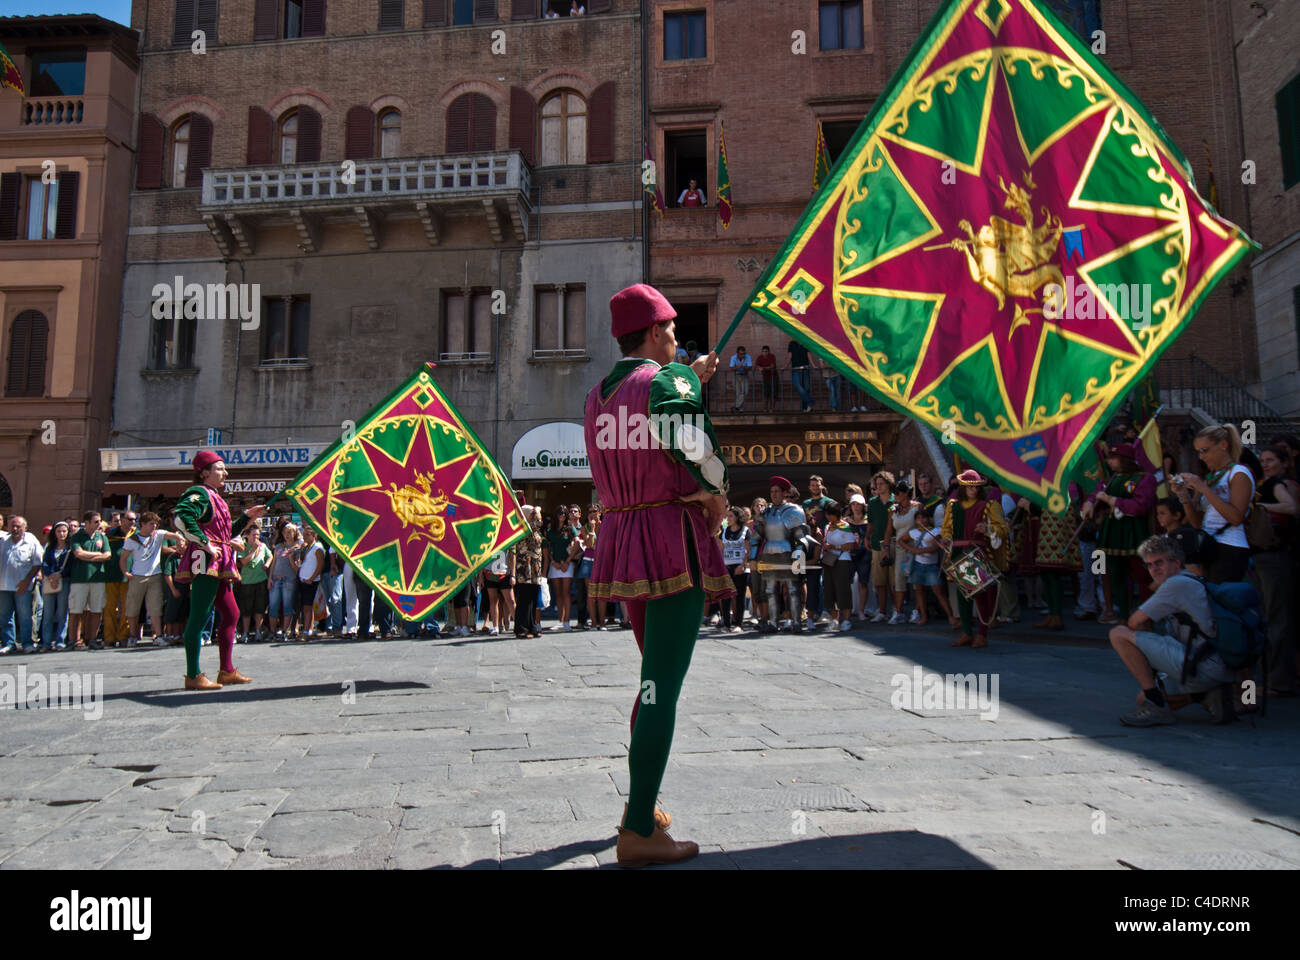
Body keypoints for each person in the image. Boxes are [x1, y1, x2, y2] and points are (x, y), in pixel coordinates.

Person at [584, 282, 731, 867]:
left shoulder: (596, 394)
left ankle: (637, 810)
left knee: (651, 680)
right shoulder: (669, 381)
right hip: (671, 540)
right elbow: (688, 440)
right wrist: (717, 490)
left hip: (625, 541)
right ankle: (639, 830)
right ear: (651, 333)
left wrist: (691, 378)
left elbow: (645, 424)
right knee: (660, 689)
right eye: (670, 329)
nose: (676, 337)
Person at [1108, 535, 1237, 726]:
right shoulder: (1190, 579)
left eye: (1159, 562)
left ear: (1176, 562)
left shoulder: (1175, 585)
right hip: (1210, 664)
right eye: (1149, 565)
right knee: (1140, 697)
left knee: (1118, 634)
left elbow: (1134, 622)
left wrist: (1145, 648)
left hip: (1203, 665)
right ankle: (1205, 696)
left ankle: (1156, 706)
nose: (1154, 569)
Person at [172, 451, 267, 689]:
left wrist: (246, 517)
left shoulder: (215, 497)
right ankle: (193, 675)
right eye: (220, 469)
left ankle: (226, 670)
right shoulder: (198, 494)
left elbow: (224, 532)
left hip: (218, 562)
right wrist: (206, 544)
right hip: (206, 561)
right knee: (199, 617)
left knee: (232, 614)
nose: (225, 473)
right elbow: (182, 519)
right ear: (204, 472)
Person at [1083, 442, 1157, 623]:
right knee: (1113, 574)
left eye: (1114, 458)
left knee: (1142, 575)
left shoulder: (1144, 479)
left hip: (1135, 533)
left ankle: (1146, 617)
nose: (1109, 462)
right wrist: (1089, 503)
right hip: (1110, 534)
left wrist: (1112, 500)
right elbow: (1096, 494)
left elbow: (1141, 506)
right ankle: (1121, 614)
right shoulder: (1109, 480)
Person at [940, 469, 1009, 648]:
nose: (974, 490)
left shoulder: (988, 505)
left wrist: (987, 529)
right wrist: (945, 538)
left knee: (979, 595)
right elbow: (946, 529)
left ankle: (982, 634)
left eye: (977, 487)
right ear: (963, 487)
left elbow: (1001, 528)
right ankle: (966, 633)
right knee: (962, 594)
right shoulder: (953, 506)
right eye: (970, 487)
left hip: (977, 552)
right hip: (957, 552)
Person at [1177, 424, 1253, 584]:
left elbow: (1236, 517)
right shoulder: (1210, 477)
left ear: (1223, 445)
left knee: (1223, 601)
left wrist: (1204, 489)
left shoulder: (1239, 473)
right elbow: (1196, 522)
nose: (1201, 457)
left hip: (1231, 547)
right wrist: (1183, 495)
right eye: (1198, 452)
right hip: (1208, 545)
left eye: (1205, 450)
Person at [1256, 444, 1298, 696]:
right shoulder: (1272, 482)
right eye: (1263, 460)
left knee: (1277, 618)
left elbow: (1292, 507)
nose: (1265, 464)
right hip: (1270, 558)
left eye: (1270, 460)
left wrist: (1260, 508)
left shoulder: (1277, 485)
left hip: (1275, 557)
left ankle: (1278, 682)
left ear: (1284, 462)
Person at [120, 512, 183, 647]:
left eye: (155, 524)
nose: (154, 526)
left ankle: (158, 636)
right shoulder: (132, 540)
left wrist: (180, 539)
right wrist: (125, 572)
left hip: (155, 575)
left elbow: (174, 535)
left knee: (155, 607)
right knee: (133, 607)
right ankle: (132, 635)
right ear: (142, 524)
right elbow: (123, 558)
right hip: (137, 576)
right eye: (151, 524)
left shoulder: (158, 534)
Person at [899, 507, 955, 626]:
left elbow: (936, 548)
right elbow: (901, 540)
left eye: (924, 518)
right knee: (919, 592)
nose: (922, 520)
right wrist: (912, 549)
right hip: (918, 565)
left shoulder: (935, 532)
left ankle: (951, 617)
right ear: (915, 520)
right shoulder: (914, 532)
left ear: (929, 519)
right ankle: (923, 616)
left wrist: (922, 550)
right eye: (918, 518)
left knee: (938, 591)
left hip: (931, 566)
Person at [0, 515, 44, 654]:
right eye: (12, 526)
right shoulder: (3, 540)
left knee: (25, 616)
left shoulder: (31, 540)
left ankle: (27, 643)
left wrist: (26, 581)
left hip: (23, 586)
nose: (14, 528)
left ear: (25, 527)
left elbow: (37, 563)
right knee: (5, 616)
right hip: (4, 585)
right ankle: (9, 643)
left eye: (18, 526)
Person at [66, 511, 110, 650]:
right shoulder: (77, 537)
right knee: (76, 610)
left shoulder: (102, 537)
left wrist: (90, 556)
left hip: (98, 578)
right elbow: (78, 554)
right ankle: (74, 639)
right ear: (87, 522)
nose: (99, 524)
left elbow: (107, 555)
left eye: (99, 521)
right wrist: (98, 555)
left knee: (96, 609)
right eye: (96, 521)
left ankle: (93, 638)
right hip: (80, 578)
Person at [820, 502, 856, 630]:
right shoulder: (827, 527)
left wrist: (835, 547)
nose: (828, 517)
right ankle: (834, 619)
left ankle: (846, 619)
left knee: (843, 589)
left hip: (842, 560)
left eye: (831, 514)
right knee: (829, 589)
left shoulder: (845, 527)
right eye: (827, 514)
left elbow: (851, 545)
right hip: (829, 560)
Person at [100, 511, 134, 648]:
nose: (132, 522)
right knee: (110, 608)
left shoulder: (136, 535)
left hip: (129, 576)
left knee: (127, 608)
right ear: (122, 520)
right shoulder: (110, 535)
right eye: (130, 519)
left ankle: (123, 636)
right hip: (111, 575)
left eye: (134, 519)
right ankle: (109, 637)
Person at [887, 480, 919, 625]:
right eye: (894, 492)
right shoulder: (893, 510)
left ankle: (917, 611)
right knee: (899, 581)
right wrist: (885, 548)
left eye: (898, 492)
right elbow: (889, 530)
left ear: (906, 493)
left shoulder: (917, 508)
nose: (895, 495)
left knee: (916, 582)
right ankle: (899, 612)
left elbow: (922, 526)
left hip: (916, 549)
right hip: (900, 550)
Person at [866, 471, 895, 622]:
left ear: (888, 484)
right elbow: (870, 522)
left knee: (894, 581)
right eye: (876, 484)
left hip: (893, 543)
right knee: (879, 581)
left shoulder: (895, 501)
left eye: (881, 484)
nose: (878, 486)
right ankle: (882, 611)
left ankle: (897, 610)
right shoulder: (872, 502)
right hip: (877, 543)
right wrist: (866, 537)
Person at [39, 521, 73, 651]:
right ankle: (46, 642)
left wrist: (60, 575)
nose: (61, 534)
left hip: (63, 581)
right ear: (54, 533)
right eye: (59, 531)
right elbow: (45, 563)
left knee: (62, 612)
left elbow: (70, 566)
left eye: (64, 531)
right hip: (49, 581)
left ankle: (60, 640)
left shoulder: (69, 548)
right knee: (47, 613)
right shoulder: (50, 547)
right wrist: (51, 575)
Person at [237, 523, 273, 641]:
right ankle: (245, 633)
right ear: (247, 535)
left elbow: (270, 555)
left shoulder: (262, 546)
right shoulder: (243, 546)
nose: (256, 538)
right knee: (246, 610)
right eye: (253, 535)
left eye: (258, 535)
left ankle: (258, 631)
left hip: (261, 580)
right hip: (247, 582)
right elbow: (243, 562)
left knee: (260, 608)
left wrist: (267, 564)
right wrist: (253, 549)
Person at [543, 505, 576, 631]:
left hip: (567, 564)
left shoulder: (570, 528)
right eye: (559, 513)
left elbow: (577, 543)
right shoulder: (551, 530)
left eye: (564, 513)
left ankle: (567, 621)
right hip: (555, 564)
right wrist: (552, 562)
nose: (562, 515)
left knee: (566, 592)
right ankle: (560, 620)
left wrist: (568, 561)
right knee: (558, 594)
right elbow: (548, 548)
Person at [719, 506, 751, 633]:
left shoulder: (745, 531)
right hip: (727, 566)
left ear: (737, 517)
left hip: (739, 567)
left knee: (739, 596)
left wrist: (743, 565)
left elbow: (748, 550)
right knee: (725, 596)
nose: (728, 518)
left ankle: (738, 623)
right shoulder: (725, 531)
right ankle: (726, 623)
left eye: (731, 516)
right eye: (728, 516)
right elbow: (721, 549)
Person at [513, 506, 544, 638]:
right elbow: (537, 523)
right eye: (531, 514)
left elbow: (539, 523)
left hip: (535, 569)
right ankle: (522, 628)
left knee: (533, 599)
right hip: (524, 569)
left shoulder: (535, 530)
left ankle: (532, 627)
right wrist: (536, 510)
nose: (535, 516)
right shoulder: (523, 528)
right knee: (524, 600)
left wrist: (536, 512)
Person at [268, 524, 301, 639]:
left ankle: (284, 631)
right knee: (273, 606)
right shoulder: (278, 547)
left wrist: (291, 558)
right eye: (285, 532)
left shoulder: (297, 548)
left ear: (294, 533)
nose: (287, 535)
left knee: (287, 606)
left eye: (289, 532)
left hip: (289, 579)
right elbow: (273, 563)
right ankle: (272, 631)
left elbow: (297, 569)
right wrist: (270, 578)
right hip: (276, 578)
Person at [297, 525, 326, 640]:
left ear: (314, 536)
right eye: (304, 535)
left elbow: (320, 565)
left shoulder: (317, 547)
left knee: (308, 607)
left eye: (307, 535)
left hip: (311, 581)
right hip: (303, 580)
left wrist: (312, 578)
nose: (304, 537)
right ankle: (308, 629)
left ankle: (307, 630)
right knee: (306, 607)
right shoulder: (306, 547)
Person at [787, 339, 813, 412]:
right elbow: (790, 356)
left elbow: (808, 354)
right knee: (797, 385)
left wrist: (813, 365)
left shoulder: (805, 341)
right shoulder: (791, 343)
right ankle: (810, 402)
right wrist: (785, 366)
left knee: (806, 388)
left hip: (805, 367)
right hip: (795, 368)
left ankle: (805, 408)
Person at [729, 345, 753, 411]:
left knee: (745, 391)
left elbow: (750, 367)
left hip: (744, 375)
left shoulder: (747, 357)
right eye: (741, 354)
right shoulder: (733, 357)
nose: (743, 355)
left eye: (744, 354)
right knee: (738, 393)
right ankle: (740, 409)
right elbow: (731, 368)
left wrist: (742, 367)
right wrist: (737, 367)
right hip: (736, 375)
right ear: (737, 353)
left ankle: (736, 406)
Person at [755, 345, 778, 411]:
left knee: (773, 393)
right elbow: (756, 365)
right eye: (763, 351)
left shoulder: (772, 356)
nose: (765, 353)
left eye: (766, 351)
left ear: (769, 352)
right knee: (766, 393)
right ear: (762, 352)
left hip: (773, 377)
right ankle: (765, 408)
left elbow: (772, 366)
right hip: (765, 378)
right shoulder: (760, 357)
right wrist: (759, 367)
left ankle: (771, 408)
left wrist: (763, 368)